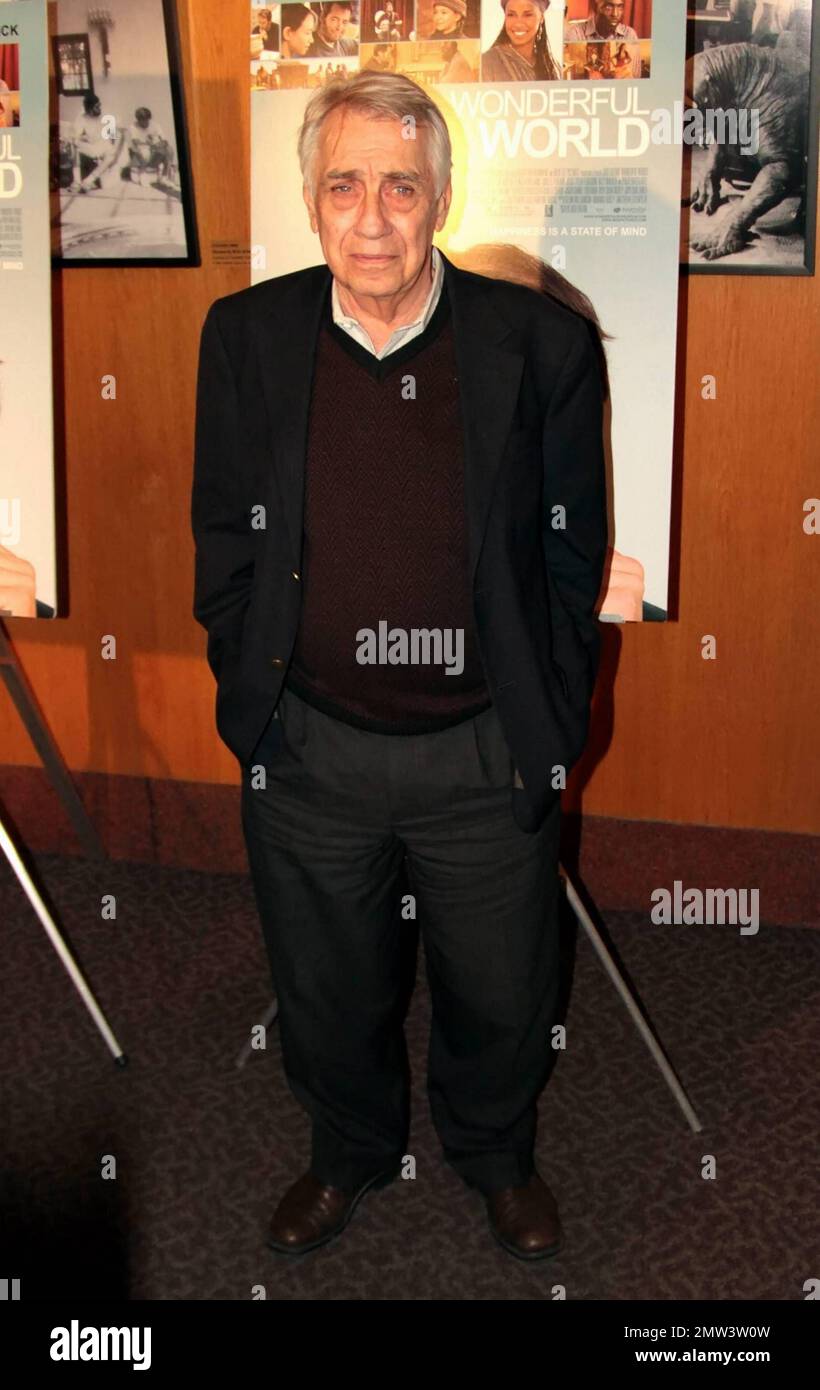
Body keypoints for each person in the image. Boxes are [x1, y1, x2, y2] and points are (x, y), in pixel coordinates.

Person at [191, 71, 607, 1262]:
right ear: (311, 200)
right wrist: (251, 703)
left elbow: (568, 549)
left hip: (483, 746)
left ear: (439, 197)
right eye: (343, 186)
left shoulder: (539, 345)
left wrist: (549, 711)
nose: (371, 217)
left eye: (399, 187)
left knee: (504, 989)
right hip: (308, 744)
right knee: (325, 989)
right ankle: (348, 1153)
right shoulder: (248, 336)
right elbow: (224, 531)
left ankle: (495, 1153)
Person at [482, 0, 561, 82]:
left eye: (527, 15)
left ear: (541, 18)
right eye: (511, 15)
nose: (518, 24)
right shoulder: (487, 62)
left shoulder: (553, 68)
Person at [565, 0, 641, 77]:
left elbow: (638, 78)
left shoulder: (630, 34)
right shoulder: (575, 34)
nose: (615, 14)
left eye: (620, 7)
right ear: (596, 7)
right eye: (608, 7)